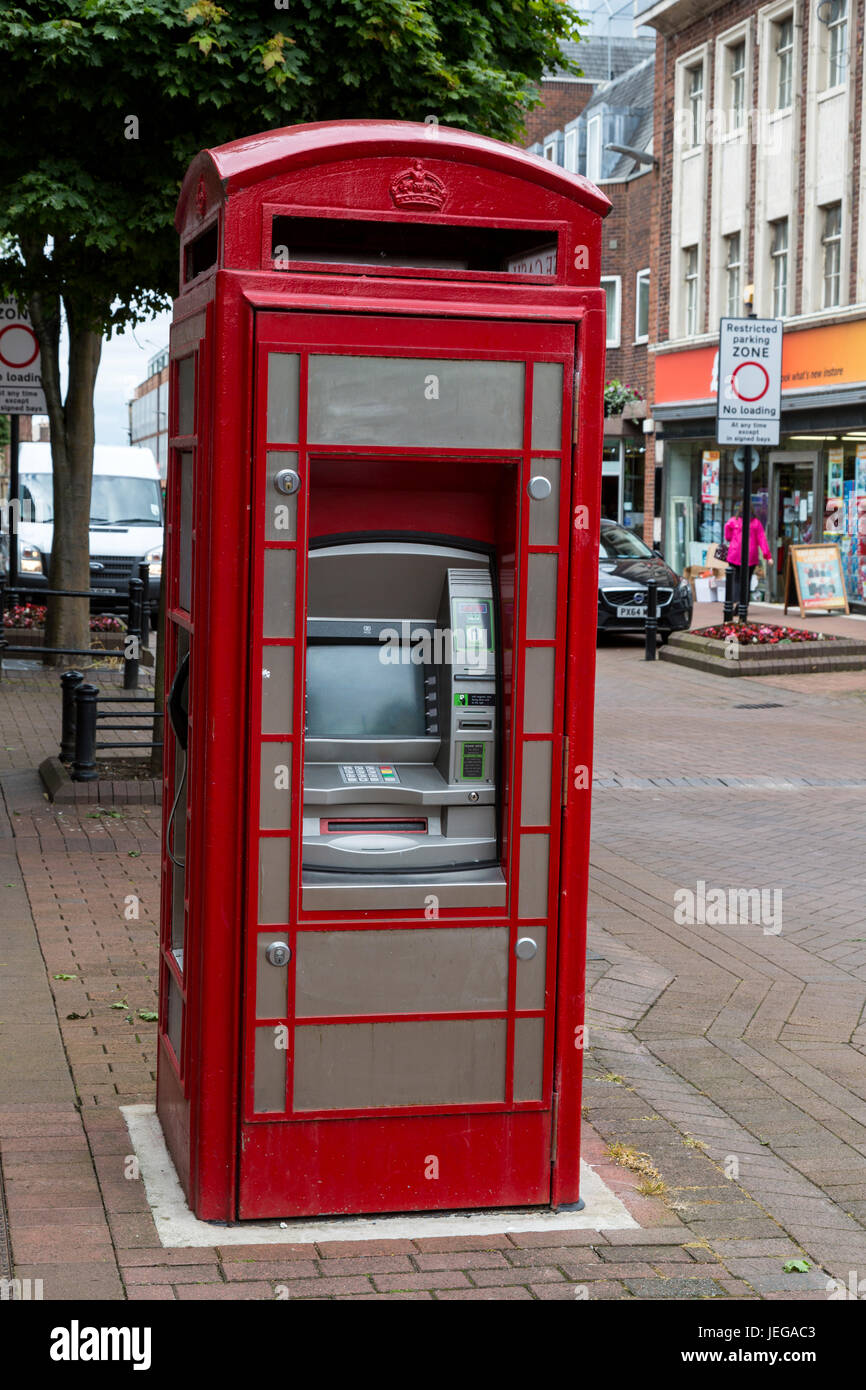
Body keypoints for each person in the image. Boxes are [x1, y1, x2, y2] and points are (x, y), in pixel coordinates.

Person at [724, 503, 773, 587]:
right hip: (750, 557)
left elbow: (727, 534)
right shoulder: (756, 523)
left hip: (734, 554)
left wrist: (731, 538)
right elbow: (762, 540)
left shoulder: (733, 521)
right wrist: (768, 556)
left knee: (735, 581)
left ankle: (736, 595)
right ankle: (744, 595)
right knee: (747, 582)